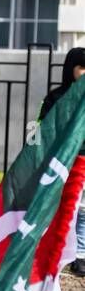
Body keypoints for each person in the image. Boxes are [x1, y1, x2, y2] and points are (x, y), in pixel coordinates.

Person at [40, 46, 85, 276]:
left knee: (82, 209)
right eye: (82, 67)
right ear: (71, 69)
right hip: (62, 161)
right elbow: (43, 126)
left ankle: (80, 255)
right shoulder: (57, 97)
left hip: (83, 161)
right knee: (60, 207)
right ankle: (53, 250)